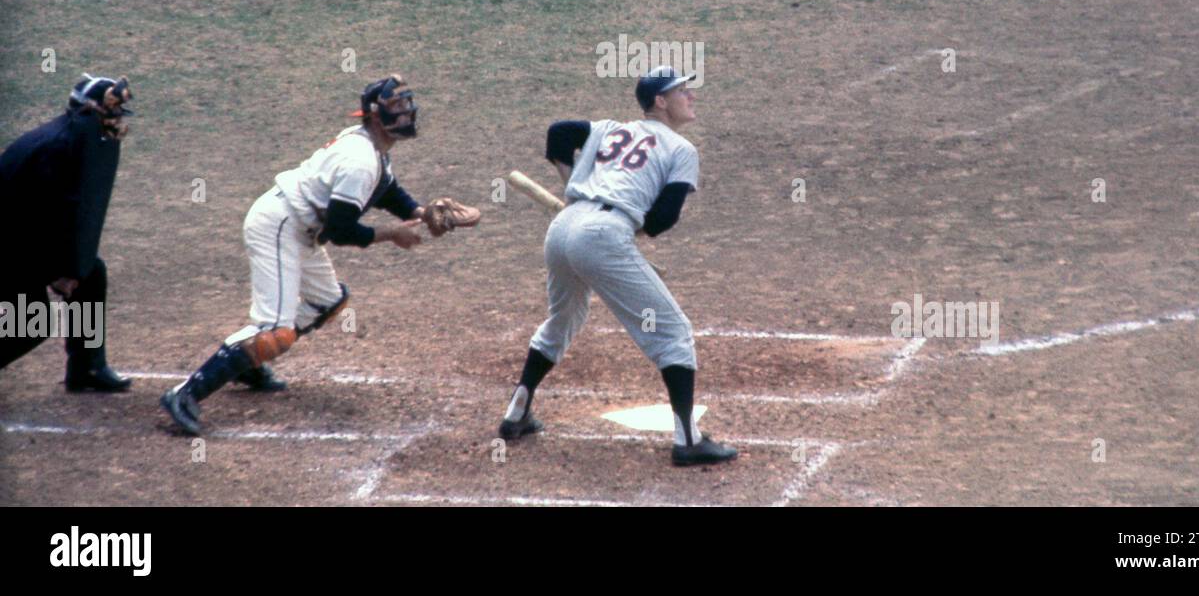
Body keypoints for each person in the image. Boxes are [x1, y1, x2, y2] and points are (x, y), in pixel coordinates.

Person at [160, 74, 456, 435]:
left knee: (327, 302)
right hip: (280, 225)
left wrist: (420, 212)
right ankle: (185, 393)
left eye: (407, 104)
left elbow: (387, 189)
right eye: (397, 107)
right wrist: (392, 234)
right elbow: (340, 230)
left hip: (299, 228)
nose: (407, 112)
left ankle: (247, 364)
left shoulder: (371, 149)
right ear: (376, 116)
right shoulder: (359, 160)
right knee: (274, 332)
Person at [499, 65, 737, 466]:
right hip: (602, 234)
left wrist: (573, 183)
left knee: (562, 320)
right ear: (660, 101)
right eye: (682, 92)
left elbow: (558, 132)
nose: (691, 97)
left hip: (563, 227)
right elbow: (662, 220)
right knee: (674, 332)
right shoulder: (682, 150)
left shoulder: (609, 128)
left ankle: (516, 412)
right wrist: (620, 234)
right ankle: (688, 441)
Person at [0, 74, 134, 391]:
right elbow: (34, 221)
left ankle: (86, 367)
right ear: (87, 113)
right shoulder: (56, 150)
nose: (114, 121)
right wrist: (57, 271)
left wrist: (74, 267)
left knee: (91, 272)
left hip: (23, 237)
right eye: (108, 114)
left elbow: (70, 215)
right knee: (30, 325)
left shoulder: (76, 143)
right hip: (10, 241)